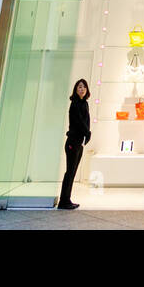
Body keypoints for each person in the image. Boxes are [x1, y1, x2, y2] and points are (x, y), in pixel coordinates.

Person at [57, 78, 91, 210]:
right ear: (75, 90)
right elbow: (78, 122)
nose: (82, 89)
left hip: (79, 142)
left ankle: (67, 199)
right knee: (69, 172)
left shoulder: (84, 103)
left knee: (73, 172)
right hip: (72, 142)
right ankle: (63, 201)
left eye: (84, 87)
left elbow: (86, 121)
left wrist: (87, 135)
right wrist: (88, 133)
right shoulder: (75, 103)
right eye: (79, 87)